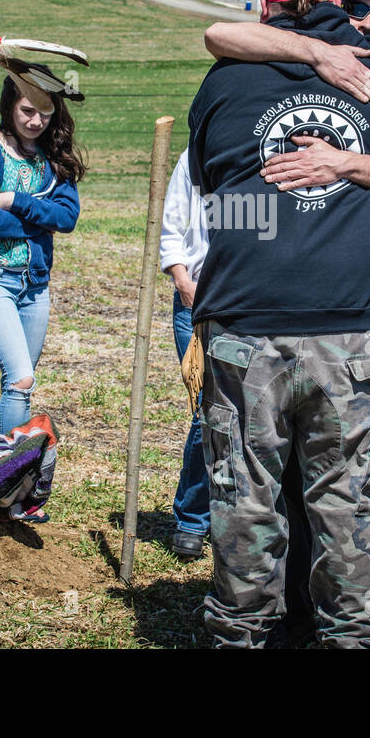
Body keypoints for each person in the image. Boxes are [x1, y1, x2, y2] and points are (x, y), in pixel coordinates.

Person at [188, 0, 370, 648]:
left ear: (265, 3)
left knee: (244, 503)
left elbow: (213, 182)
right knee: (350, 510)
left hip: (247, 324)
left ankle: (243, 632)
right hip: (352, 332)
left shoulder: (224, 83)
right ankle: (349, 634)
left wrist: (333, 158)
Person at [0, 69, 85, 434]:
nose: (36, 121)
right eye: (27, 110)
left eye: (45, 113)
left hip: (35, 287)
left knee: (20, 387)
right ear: (10, 106)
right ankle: (2, 467)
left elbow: (67, 216)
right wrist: (41, 223)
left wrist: (17, 202)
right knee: (21, 379)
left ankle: (9, 477)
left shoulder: (53, 158)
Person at [159, 150, 210, 559]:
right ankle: (193, 517)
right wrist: (182, 279)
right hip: (197, 300)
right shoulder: (193, 158)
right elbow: (172, 226)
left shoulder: (273, 152)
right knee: (207, 409)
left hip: (253, 300)